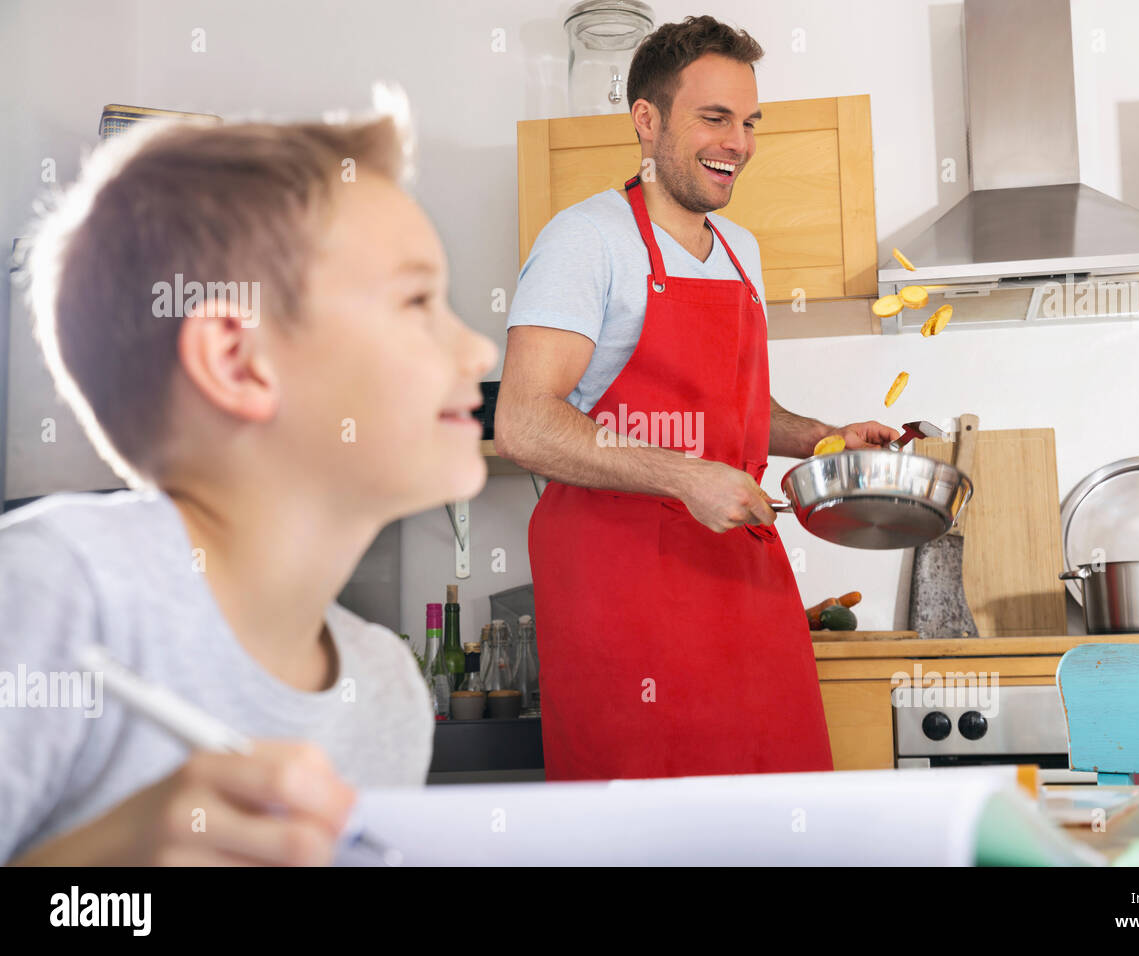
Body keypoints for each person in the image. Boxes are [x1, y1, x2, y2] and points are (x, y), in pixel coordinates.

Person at [1, 94, 496, 864]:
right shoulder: (51, 591)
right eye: (419, 301)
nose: (479, 353)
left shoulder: (388, 692)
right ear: (236, 361)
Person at [495, 16, 900, 781]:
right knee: (650, 824)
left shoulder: (741, 249)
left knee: (774, 801)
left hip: (740, 577)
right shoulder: (586, 239)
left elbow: (735, 405)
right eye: (714, 118)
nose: (738, 142)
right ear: (646, 121)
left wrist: (824, 437)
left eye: (749, 122)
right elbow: (523, 421)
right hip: (624, 592)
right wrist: (688, 476)